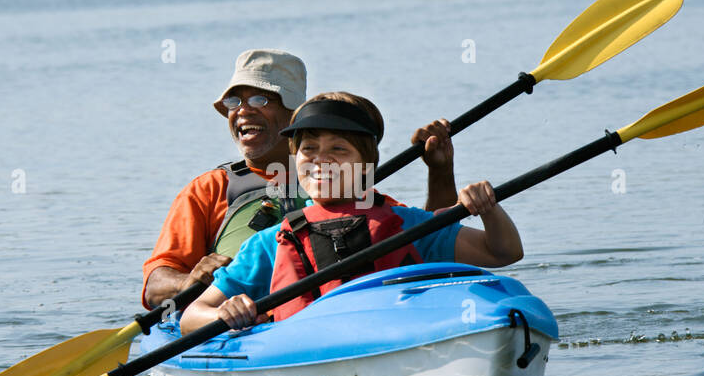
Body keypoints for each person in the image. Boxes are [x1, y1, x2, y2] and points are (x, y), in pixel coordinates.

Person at [179, 91, 523, 334]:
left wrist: (489, 209)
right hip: (306, 353)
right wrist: (225, 312)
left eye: (338, 150)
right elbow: (191, 316)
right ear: (295, 160)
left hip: (398, 340)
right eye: (309, 150)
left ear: (365, 165)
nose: (320, 160)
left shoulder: (406, 223)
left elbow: (503, 251)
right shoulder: (269, 244)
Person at [142, 50, 458, 309]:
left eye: (259, 101)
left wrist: (439, 172)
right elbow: (154, 287)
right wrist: (191, 282)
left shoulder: (336, 180)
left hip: (325, 317)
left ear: (295, 115)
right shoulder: (210, 189)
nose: (242, 112)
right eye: (234, 103)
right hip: (245, 327)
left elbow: (430, 242)